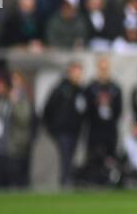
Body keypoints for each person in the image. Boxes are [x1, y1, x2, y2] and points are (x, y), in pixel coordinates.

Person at [0, 72, 34, 188]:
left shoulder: (19, 100)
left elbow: (24, 118)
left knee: (15, 186)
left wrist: (15, 102)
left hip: (13, 151)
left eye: (1, 85)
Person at [42, 60, 86, 187]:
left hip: (75, 130)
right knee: (66, 156)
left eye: (80, 73)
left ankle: (66, 180)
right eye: (76, 72)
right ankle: (65, 182)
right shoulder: (61, 89)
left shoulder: (80, 90)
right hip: (62, 130)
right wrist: (51, 127)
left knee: (70, 156)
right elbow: (48, 108)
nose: (78, 75)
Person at [84, 55, 123, 185]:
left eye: (106, 68)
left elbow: (119, 110)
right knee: (94, 158)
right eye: (101, 68)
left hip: (110, 130)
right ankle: (94, 182)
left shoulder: (115, 88)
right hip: (95, 130)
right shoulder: (91, 88)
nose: (104, 71)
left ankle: (109, 182)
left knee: (110, 159)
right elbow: (87, 110)